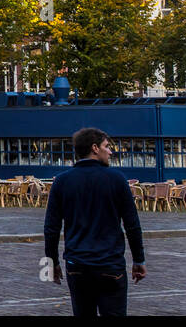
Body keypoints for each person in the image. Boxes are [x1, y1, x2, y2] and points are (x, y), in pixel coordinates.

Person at [44, 127, 146, 317]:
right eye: (107, 146)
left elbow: (51, 228)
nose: (110, 151)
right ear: (94, 148)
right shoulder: (117, 179)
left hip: (77, 265)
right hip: (110, 264)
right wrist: (138, 259)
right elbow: (132, 225)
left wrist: (52, 263)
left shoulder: (62, 182)